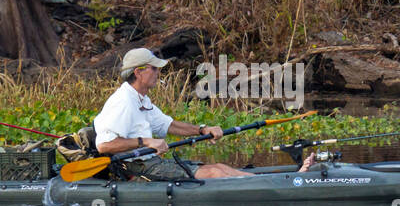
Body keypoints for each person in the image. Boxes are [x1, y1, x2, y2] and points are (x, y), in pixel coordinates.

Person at [94, 47, 315, 181]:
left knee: (220, 167)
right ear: (138, 72)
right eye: (154, 68)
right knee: (214, 174)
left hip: (150, 163)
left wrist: (202, 130)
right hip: (136, 167)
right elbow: (104, 145)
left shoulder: (142, 99)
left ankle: (290, 180)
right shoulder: (123, 102)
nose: (158, 72)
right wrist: (146, 141)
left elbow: (170, 126)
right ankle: (292, 181)